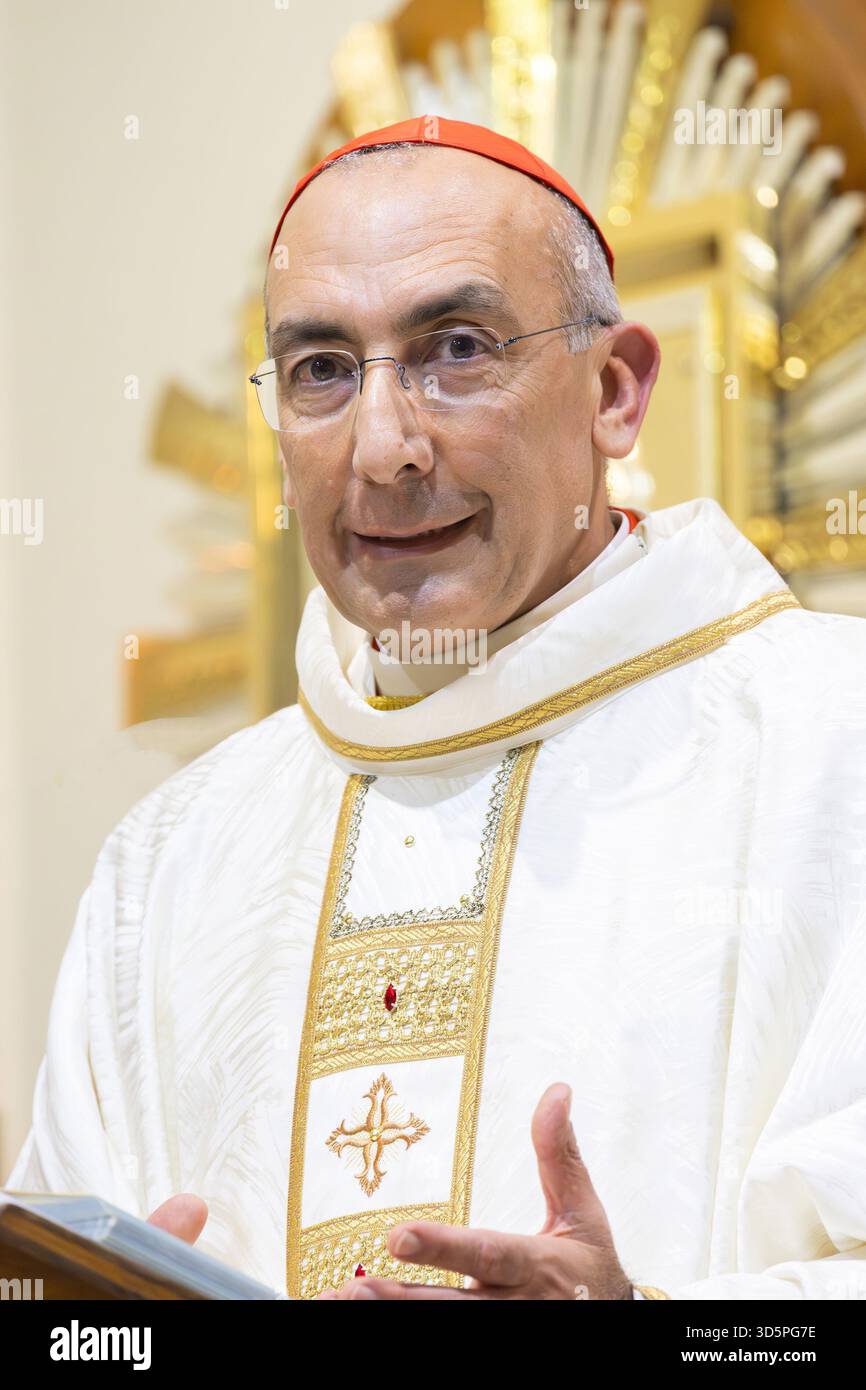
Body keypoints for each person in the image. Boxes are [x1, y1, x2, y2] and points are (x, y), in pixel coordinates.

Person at [7, 117, 866, 1302]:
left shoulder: (833, 746)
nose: (382, 446)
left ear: (614, 392)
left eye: (456, 349)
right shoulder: (168, 864)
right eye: (319, 370)